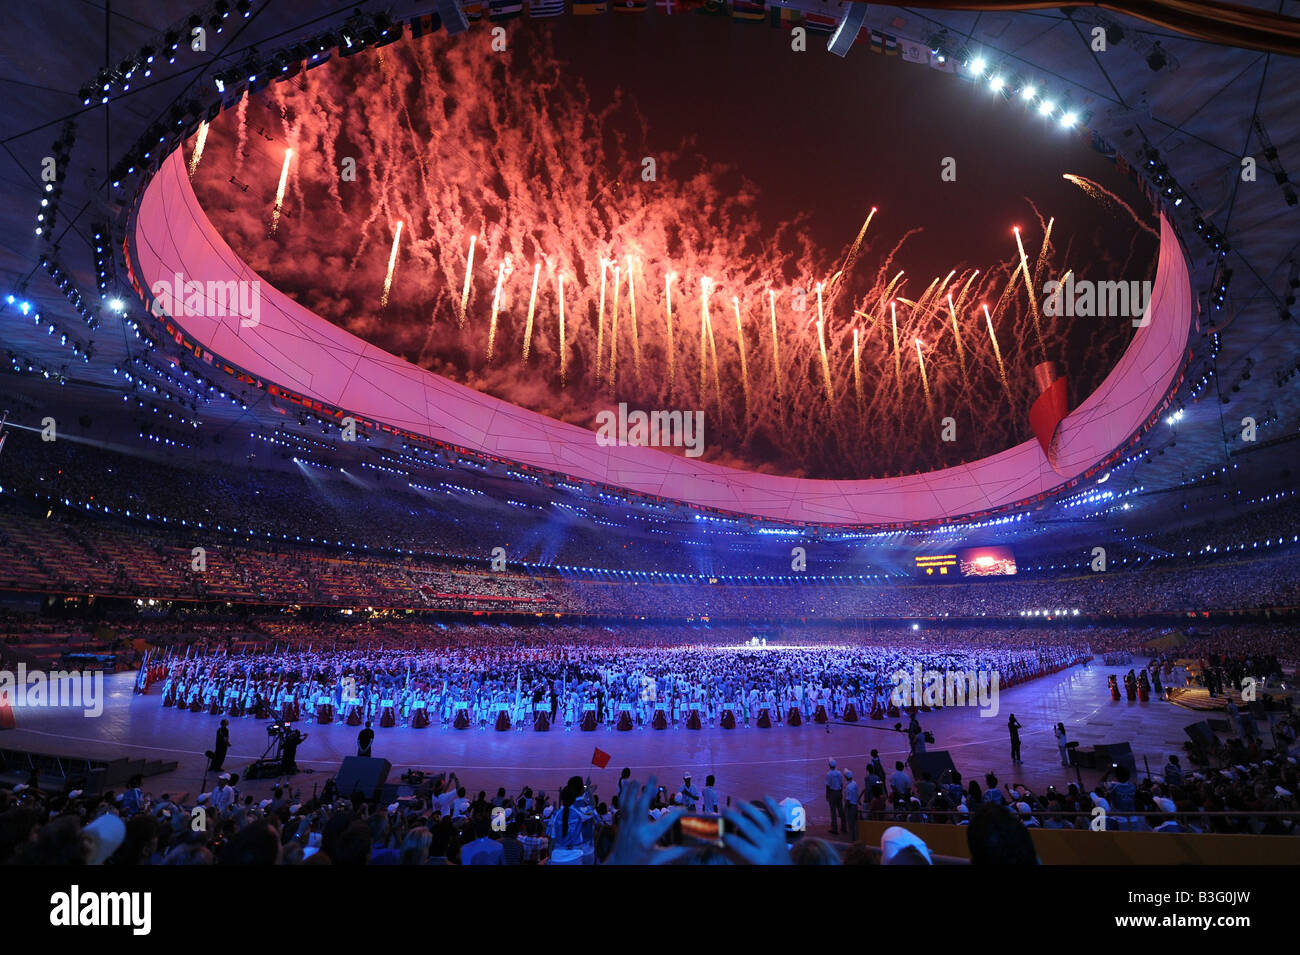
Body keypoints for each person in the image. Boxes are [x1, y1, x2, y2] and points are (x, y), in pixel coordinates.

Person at [824, 759, 845, 835]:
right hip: (838, 792)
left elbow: (828, 786)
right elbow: (841, 784)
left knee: (833, 811)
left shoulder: (829, 774)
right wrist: (841, 792)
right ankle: (844, 826)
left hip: (832, 793)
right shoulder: (839, 773)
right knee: (841, 809)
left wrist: (827, 794)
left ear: (829, 765)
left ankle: (834, 828)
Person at [842, 770, 860, 839]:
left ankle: (852, 838)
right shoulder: (854, 784)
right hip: (855, 805)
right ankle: (856, 837)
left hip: (851, 807)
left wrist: (845, 809)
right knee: (855, 823)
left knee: (851, 823)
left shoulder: (848, 787)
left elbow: (848, 800)